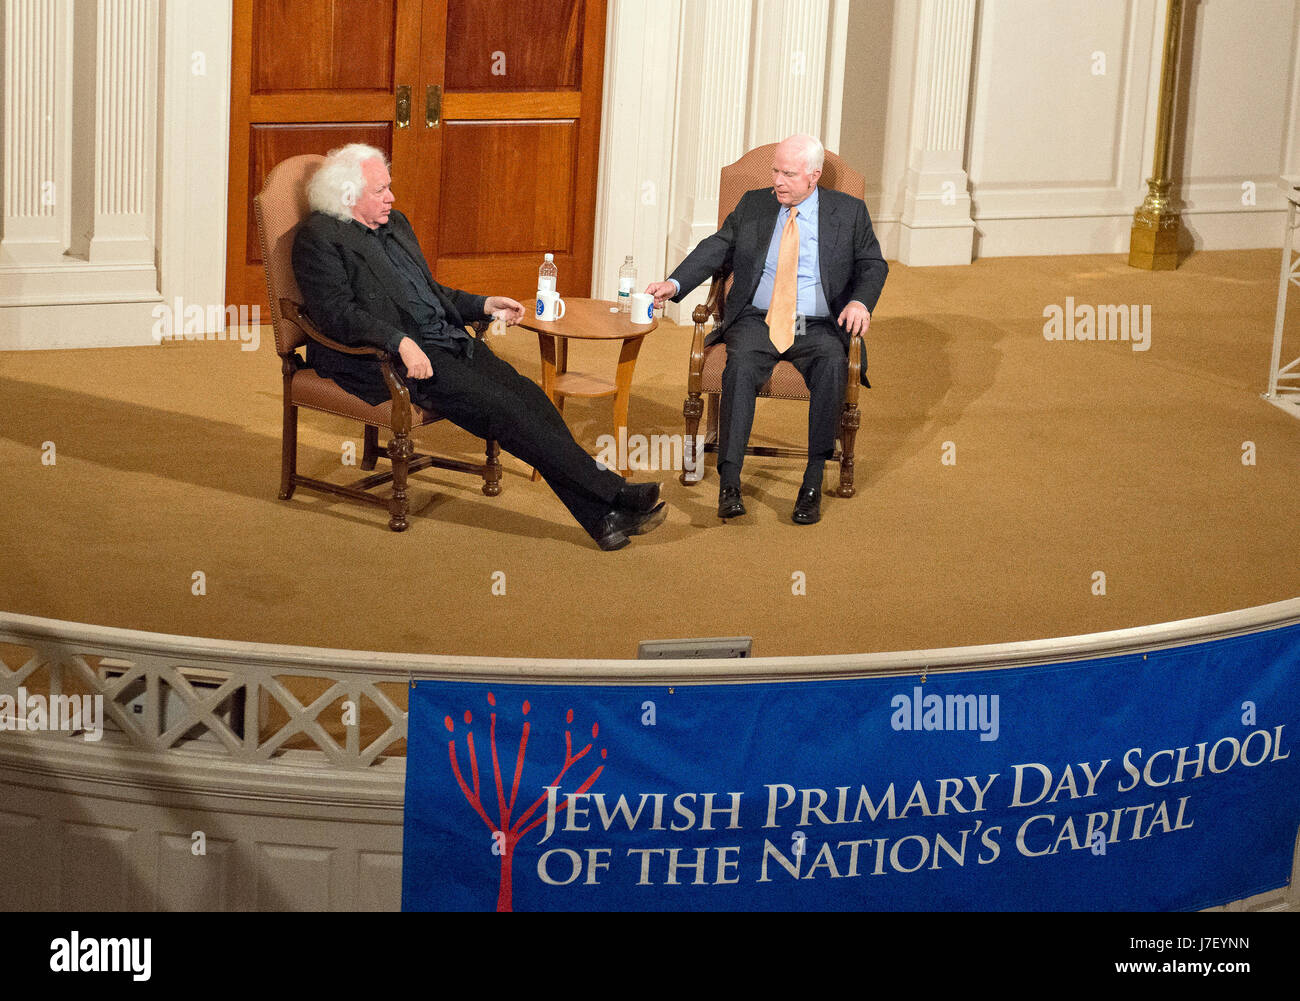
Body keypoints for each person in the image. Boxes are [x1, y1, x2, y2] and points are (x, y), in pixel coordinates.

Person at [291, 143, 665, 550]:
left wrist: (482, 304)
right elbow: (336, 314)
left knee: (528, 397)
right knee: (503, 411)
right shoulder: (320, 239)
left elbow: (431, 292)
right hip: (393, 359)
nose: (391, 197)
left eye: (389, 187)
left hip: (448, 340)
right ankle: (612, 493)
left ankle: (602, 516)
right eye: (381, 190)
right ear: (348, 195)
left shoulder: (394, 224)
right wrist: (399, 342)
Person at [646, 134, 887, 525]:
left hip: (818, 323)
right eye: (775, 170)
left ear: (814, 176)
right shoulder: (754, 204)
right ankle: (730, 481)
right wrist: (674, 284)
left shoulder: (849, 212)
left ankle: (812, 480)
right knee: (738, 367)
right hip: (757, 318)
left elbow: (873, 264)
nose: (777, 180)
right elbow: (717, 246)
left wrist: (860, 302)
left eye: (788, 174)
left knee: (832, 364)